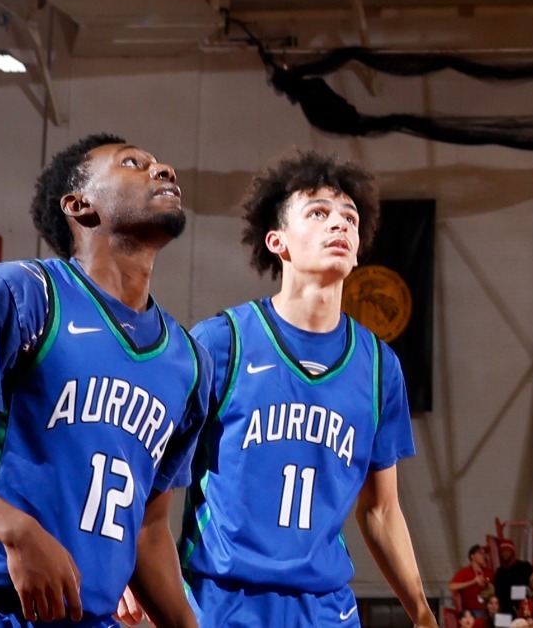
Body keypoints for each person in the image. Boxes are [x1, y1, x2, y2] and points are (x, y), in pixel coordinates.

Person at [0, 134, 208, 628]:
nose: (162, 170)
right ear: (80, 205)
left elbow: (148, 528)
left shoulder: (189, 361)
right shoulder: (21, 294)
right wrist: (16, 530)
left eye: (161, 164)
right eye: (133, 164)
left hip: (87, 617)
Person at [177, 151, 432, 628]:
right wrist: (130, 572)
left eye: (349, 218)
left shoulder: (379, 367)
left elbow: (380, 510)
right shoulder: (221, 342)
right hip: (223, 601)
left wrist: (422, 613)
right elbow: (150, 471)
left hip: (324, 607)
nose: (339, 224)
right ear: (277, 241)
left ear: (358, 249)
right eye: (318, 213)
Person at [452, 547, 496, 617]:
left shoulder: (489, 572)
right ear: (472, 556)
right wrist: (473, 582)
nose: (483, 556)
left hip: (488, 610)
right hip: (471, 611)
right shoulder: (464, 572)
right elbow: (452, 586)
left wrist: (490, 586)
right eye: (480, 553)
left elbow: (494, 591)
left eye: (484, 553)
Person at [496, 542, 533, 609]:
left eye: (507, 551)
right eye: (502, 551)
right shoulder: (500, 572)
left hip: (524, 607)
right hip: (505, 609)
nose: (505, 553)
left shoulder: (525, 566)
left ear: (512, 552)